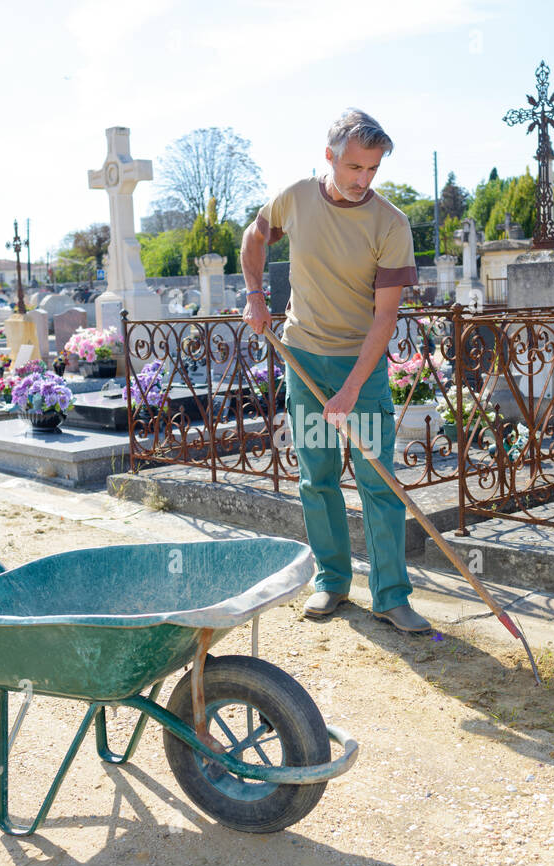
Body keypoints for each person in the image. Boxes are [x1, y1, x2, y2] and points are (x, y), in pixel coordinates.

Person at [240, 109, 431, 634]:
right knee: (316, 477)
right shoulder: (295, 199)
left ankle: (391, 596)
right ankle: (331, 582)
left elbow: (385, 318)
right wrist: (255, 295)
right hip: (301, 358)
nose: (362, 180)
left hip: (360, 368)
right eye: (353, 167)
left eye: (372, 170)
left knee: (378, 481)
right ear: (329, 157)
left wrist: (350, 390)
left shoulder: (390, 224)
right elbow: (254, 236)